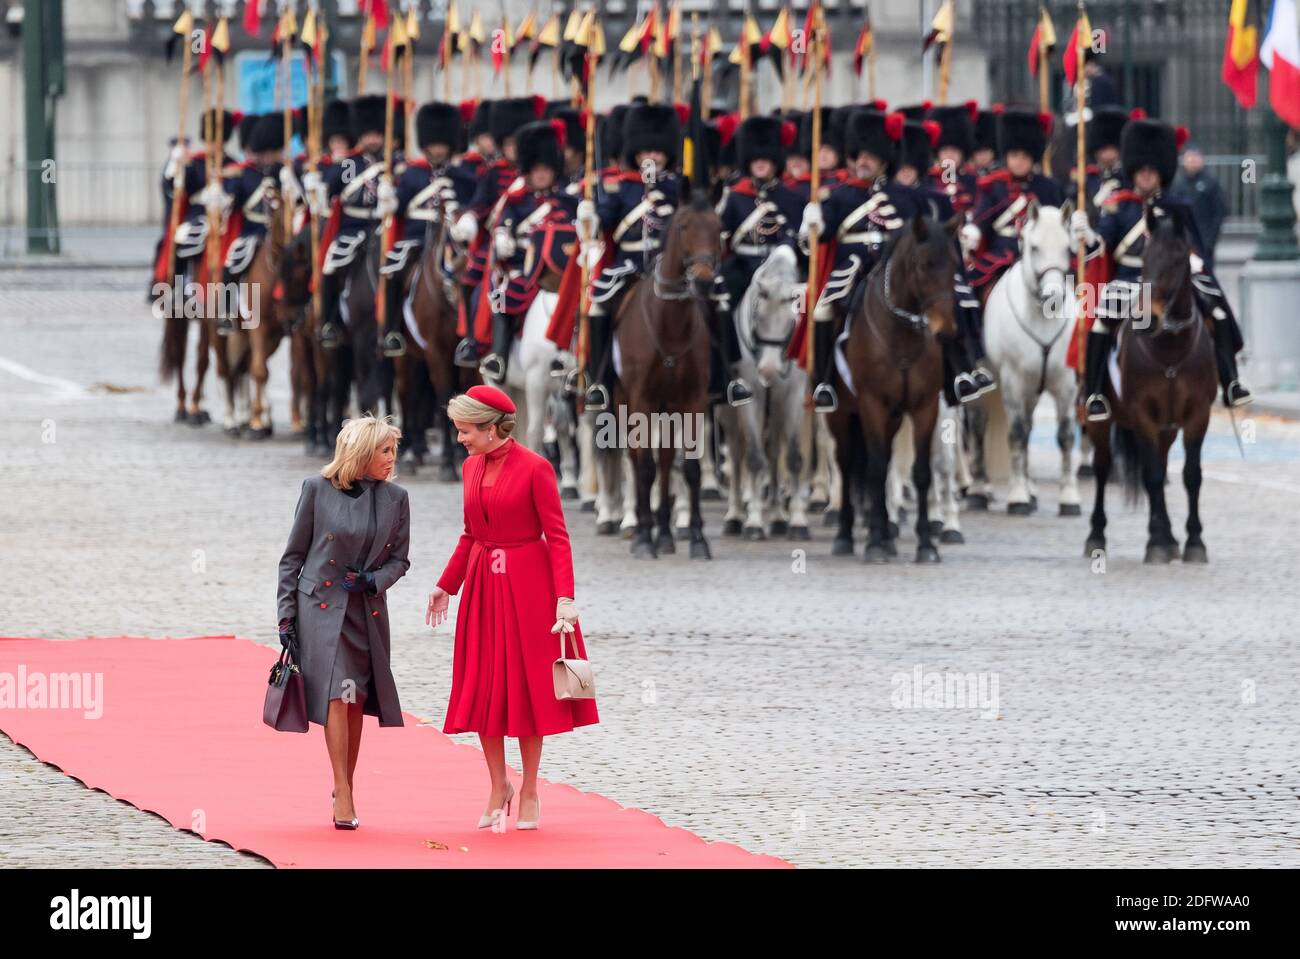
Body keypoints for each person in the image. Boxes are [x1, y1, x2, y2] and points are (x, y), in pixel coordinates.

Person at [427, 385, 598, 832]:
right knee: (485, 686)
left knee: (525, 690)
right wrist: (447, 585)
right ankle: (497, 783)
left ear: (490, 428)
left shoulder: (536, 469)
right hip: (484, 586)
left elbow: (557, 536)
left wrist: (565, 597)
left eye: (465, 430)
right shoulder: (468, 467)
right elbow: (470, 534)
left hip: (528, 588)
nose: (460, 438)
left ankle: (530, 790)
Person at [276, 413, 411, 830]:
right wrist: (285, 616)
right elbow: (293, 557)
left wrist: (374, 580)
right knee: (336, 695)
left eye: (393, 451)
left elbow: (399, 559)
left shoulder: (396, 498)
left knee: (353, 701)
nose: (392, 459)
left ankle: (344, 784)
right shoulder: (315, 489)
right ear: (360, 453)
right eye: (384, 451)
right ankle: (345, 791)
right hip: (320, 609)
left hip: (363, 612)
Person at [1070, 118, 1252, 419]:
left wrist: (1195, 259)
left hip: (1172, 280)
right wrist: (1086, 234)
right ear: (1134, 172)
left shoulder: (1178, 206)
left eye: (1151, 171)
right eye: (1141, 171)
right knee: (1101, 321)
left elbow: (1195, 243)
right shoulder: (1119, 205)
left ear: (1160, 174)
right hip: (1129, 279)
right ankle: (1095, 393)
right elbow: (1103, 243)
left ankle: (1230, 381)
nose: (1145, 177)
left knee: (1217, 310)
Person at [1170, 144, 1226, 272]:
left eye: (1195, 158)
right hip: (1184, 243)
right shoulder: (1179, 185)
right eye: (1189, 159)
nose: (1192, 162)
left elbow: (1219, 212)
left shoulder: (1210, 183)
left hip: (1204, 242)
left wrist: (1210, 241)